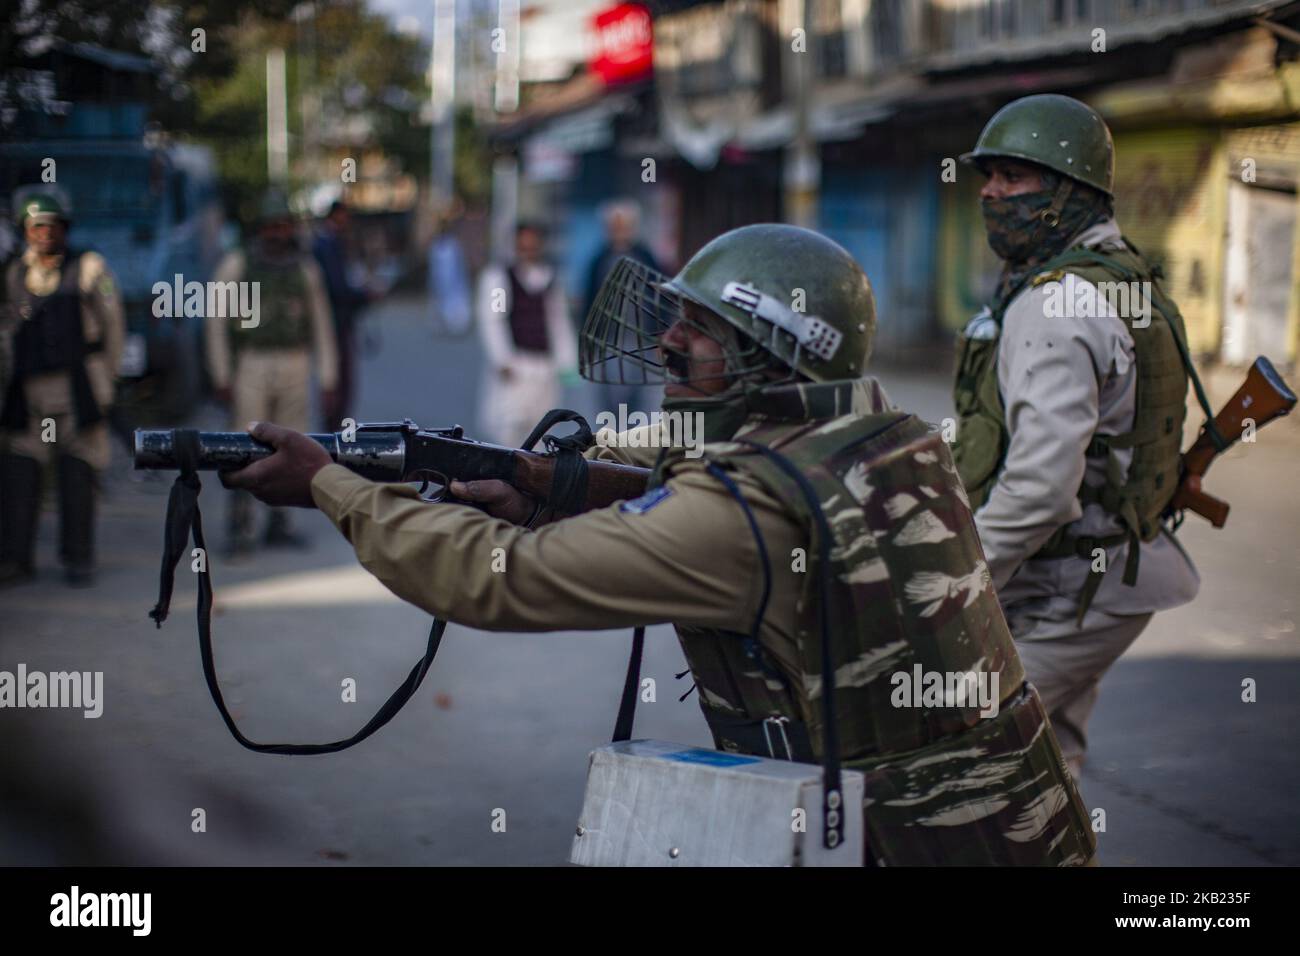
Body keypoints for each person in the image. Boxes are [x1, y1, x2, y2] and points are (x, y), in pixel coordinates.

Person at [221, 223, 1096, 865]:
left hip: (919, 846)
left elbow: (498, 581)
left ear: (767, 355)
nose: (669, 342)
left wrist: (333, 487)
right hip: (1013, 820)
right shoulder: (888, 432)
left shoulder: (739, 516)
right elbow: (682, 459)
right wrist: (546, 482)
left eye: (699, 329)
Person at [953, 94, 1201, 778]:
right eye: (989, 176)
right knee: (1047, 761)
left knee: (956, 734)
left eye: (1015, 177)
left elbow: (1039, 489)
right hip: (1102, 571)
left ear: (1071, 191)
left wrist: (965, 584)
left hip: (1073, 585)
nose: (992, 194)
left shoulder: (1053, 305)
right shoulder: (1125, 276)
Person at [0, 189, 124, 587]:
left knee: (78, 472)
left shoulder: (89, 269)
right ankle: (17, 559)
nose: (44, 234)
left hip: (78, 388)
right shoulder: (15, 273)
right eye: (36, 227)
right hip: (31, 391)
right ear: (25, 230)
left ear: (64, 229)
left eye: (51, 226)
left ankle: (78, 558)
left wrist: (108, 380)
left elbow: (113, 324)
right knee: (20, 474)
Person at [205, 190, 337, 555]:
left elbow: (322, 324)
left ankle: (280, 523)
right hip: (253, 362)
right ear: (261, 229)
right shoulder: (238, 265)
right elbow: (216, 322)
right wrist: (221, 375)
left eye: (284, 225)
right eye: (272, 226)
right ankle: (239, 526)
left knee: (293, 443)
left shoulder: (304, 269)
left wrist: (327, 377)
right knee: (245, 445)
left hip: (295, 361)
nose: (278, 233)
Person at [475, 221, 576, 446]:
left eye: (533, 245)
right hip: (517, 365)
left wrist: (566, 360)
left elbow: (558, 320)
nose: (528, 250)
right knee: (508, 432)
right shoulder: (500, 279)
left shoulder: (549, 279)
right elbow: (493, 319)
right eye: (523, 245)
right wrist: (501, 358)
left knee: (541, 432)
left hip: (544, 366)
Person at [582, 200, 664, 417]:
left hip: (641, 339)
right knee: (610, 395)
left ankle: (635, 443)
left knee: (641, 396)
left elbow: (659, 297)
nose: (619, 231)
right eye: (615, 225)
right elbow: (589, 301)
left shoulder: (646, 258)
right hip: (608, 339)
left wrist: (660, 336)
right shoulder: (599, 260)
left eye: (624, 225)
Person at [312, 199, 371, 430]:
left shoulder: (334, 242)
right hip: (332, 323)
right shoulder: (326, 245)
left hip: (340, 321)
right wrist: (364, 295)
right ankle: (332, 434)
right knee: (336, 383)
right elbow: (336, 287)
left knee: (341, 383)